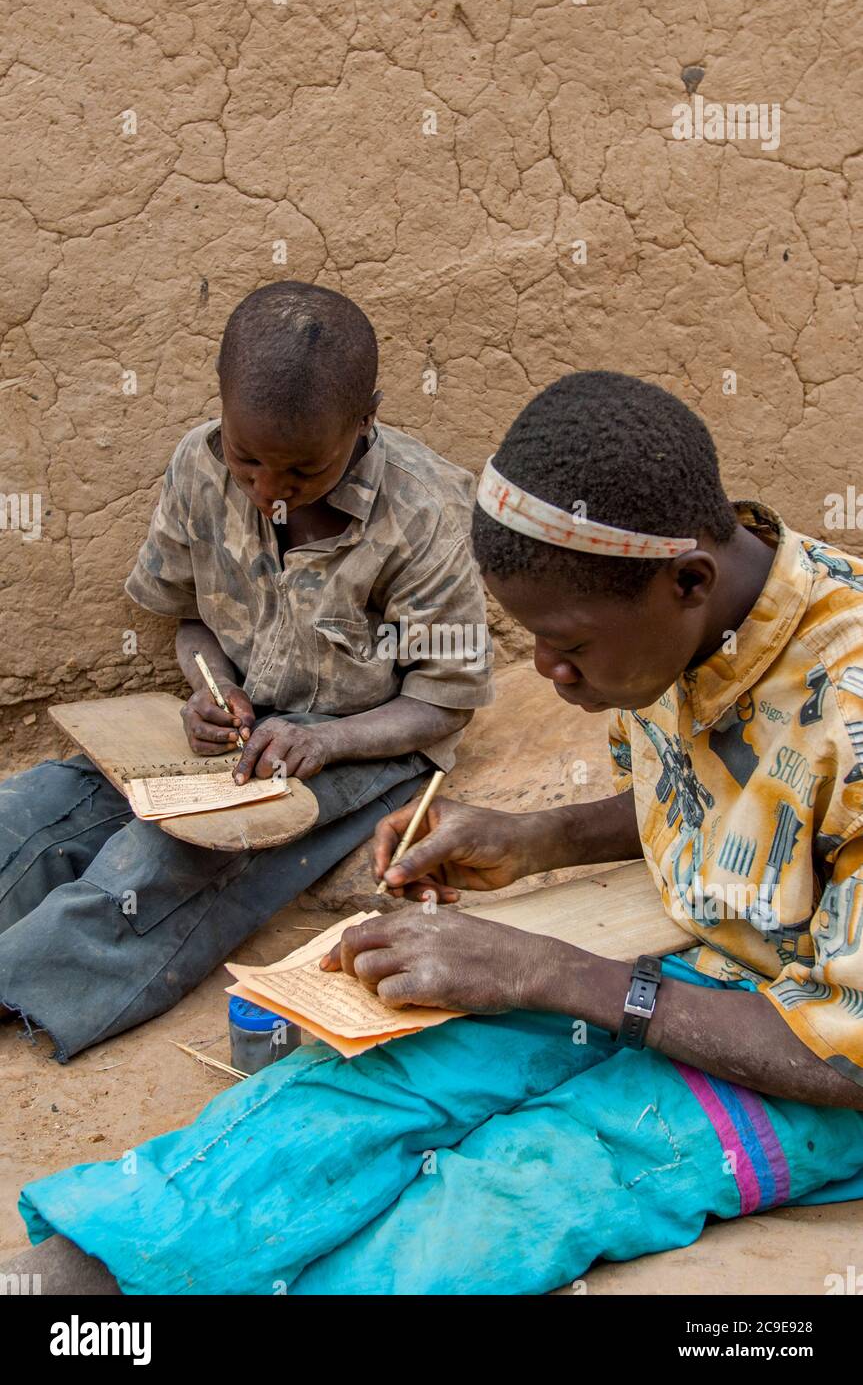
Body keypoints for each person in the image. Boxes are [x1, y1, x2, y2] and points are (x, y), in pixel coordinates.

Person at [9, 371, 863, 1295]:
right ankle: (89, 1279)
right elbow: (745, 797)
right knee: (374, 1085)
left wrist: (551, 973)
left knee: (522, 1185)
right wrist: (539, 838)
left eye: (566, 647)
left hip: (813, 1061)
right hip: (689, 969)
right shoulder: (694, 615)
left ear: (686, 582)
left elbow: (848, 1053)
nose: (548, 674)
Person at [0, 281, 492, 1062]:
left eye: (302, 472)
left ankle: (22, 985)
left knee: (168, 856)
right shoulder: (196, 466)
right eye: (247, 459)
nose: (267, 490)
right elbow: (190, 620)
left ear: (366, 419)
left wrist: (327, 745)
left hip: (365, 748)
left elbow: (442, 704)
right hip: (237, 735)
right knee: (32, 809)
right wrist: (209, 686)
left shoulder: (425, 513)